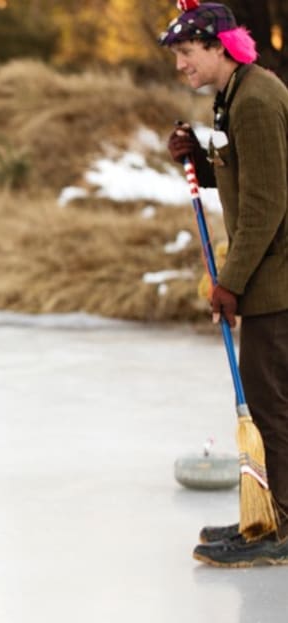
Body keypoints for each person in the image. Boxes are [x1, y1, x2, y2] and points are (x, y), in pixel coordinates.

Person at [162, 0, 288, 566]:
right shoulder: (236, 94)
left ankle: (280, 526)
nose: (181, 65)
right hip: (267, 273)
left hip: (276, 278)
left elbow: (266, 203)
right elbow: (252, 176)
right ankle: (270, 515)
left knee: (271, 406)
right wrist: (199, 160)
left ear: (219, 46)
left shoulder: (256, 100)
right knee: (269, 402)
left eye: (188, 52)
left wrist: (229, 283)